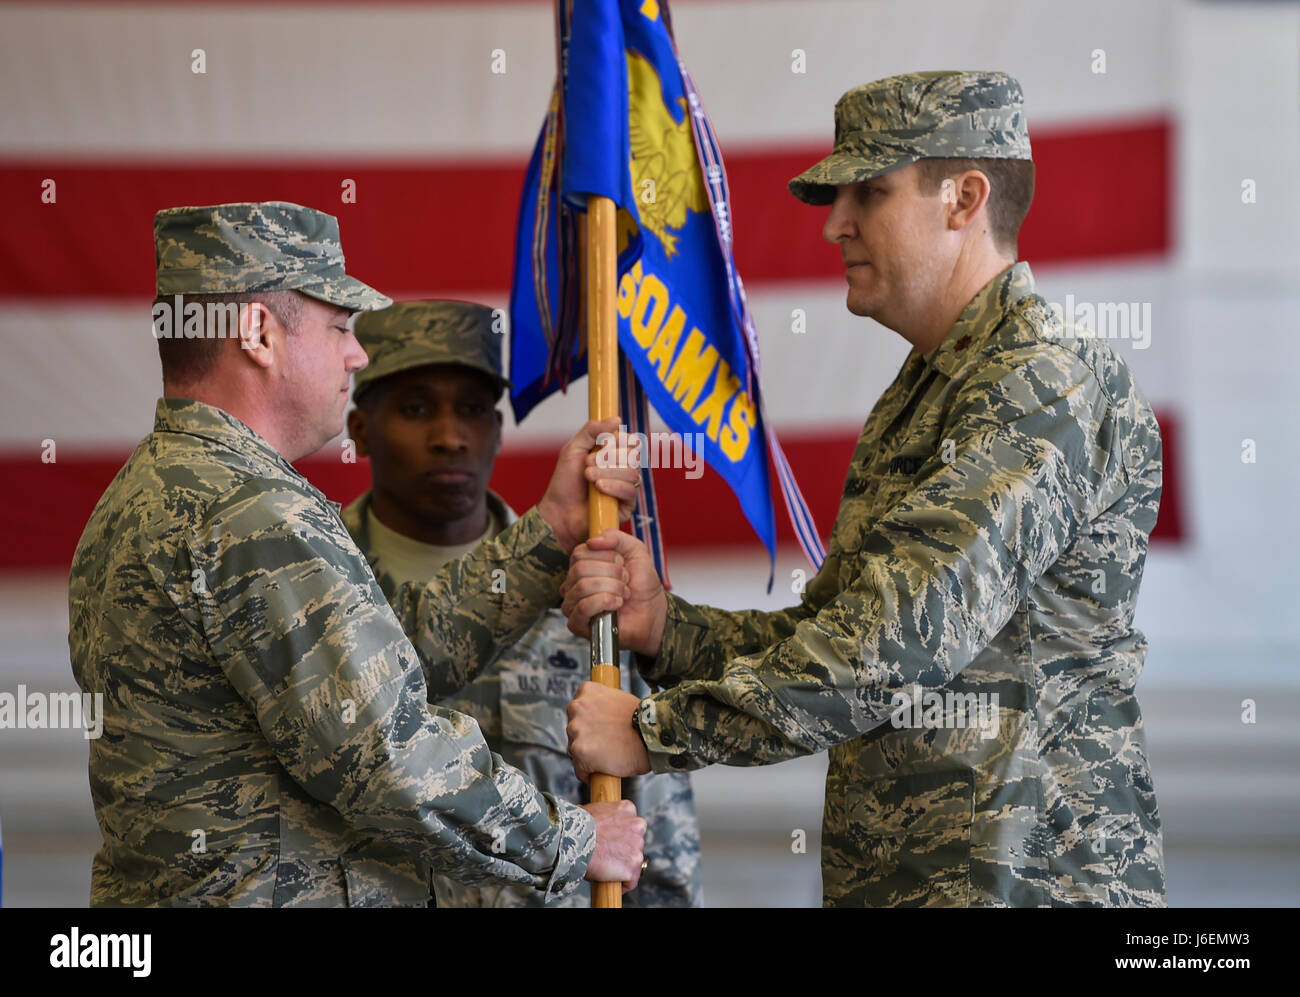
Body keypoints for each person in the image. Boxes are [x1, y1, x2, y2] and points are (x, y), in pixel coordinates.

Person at [561, 71, 1167, 907]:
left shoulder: (1041, 385)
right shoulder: (932, 385)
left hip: (1027, 882)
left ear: (964, 198)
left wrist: (655, 732)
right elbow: (841, 623)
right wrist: (670, 627)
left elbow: (894, 641)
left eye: (869, 193)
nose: (835, 224)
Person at [68, 200, 646, 907]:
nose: (359, 353)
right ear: (257, 332)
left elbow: (384, 663)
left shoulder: (144, 490)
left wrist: (551, 527)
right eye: (339, 325)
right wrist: (574, 839)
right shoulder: (256, 512)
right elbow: (389, 755)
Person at [342, 299, 702, 907]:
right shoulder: (315, 588)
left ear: (499, 429)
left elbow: (659, 853)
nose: (449, 437)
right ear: (360, 429)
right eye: (414, 408)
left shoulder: (588, 599)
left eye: (474, 411)